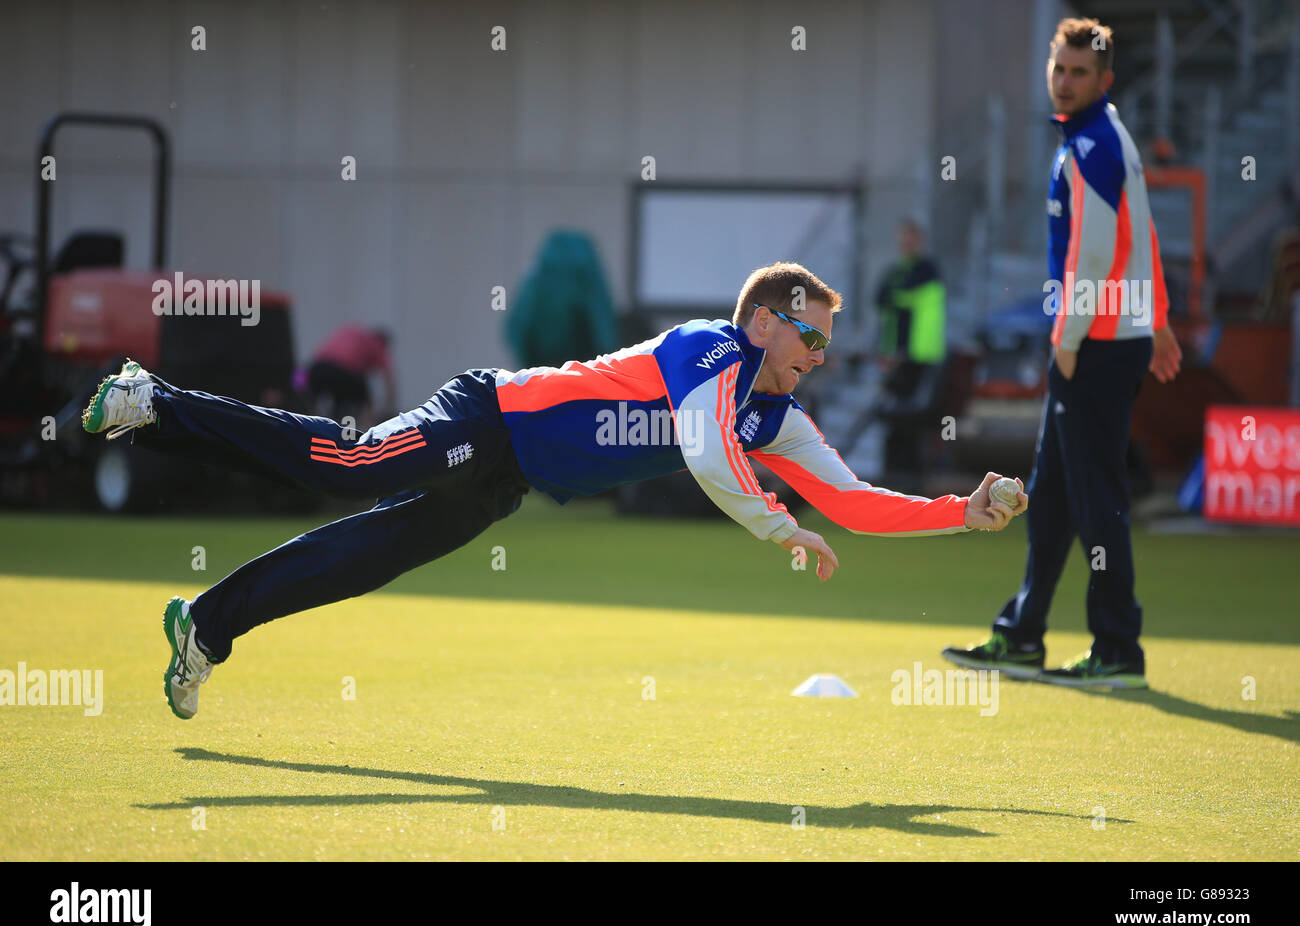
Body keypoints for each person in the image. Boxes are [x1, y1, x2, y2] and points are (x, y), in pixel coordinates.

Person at [80, 262, 1027, 720]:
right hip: (485, 420)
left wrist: (960, 513)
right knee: (344, 463)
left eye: (823, 344)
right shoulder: (713, 349)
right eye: (811, 339)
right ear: (767, 323)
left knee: (358, 558)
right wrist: (780, 528)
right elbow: (703, 451)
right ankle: (150, 399)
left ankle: (203, 627)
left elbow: (855, 498)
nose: (819, 358)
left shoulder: (773, 415)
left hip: (506, 483)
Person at [943, 18, 1182, 689]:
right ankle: (1021, 635)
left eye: (1080, 72)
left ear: (1104, 80)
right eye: (1059, 69)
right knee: (1049, 498)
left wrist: (1069, 340)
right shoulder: (1104, 138)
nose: (1067, 81)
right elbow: (1145, 233)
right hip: (1112, 338)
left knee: (1095, 497)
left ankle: (1117, 649)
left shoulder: (1092, 146)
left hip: (1095, 347)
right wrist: (1157, 320)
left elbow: (1098, 253)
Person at [873, 218, 947, 484]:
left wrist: (897, 298)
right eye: (904, 238)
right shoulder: (898, 271)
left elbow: (900, 300)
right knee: (894, 418)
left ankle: (912, 477)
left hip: (919, 357)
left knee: (914, 419)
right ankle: (894, 477)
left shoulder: (926, 269)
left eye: (911, 238)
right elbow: (882, 299)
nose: (907, 244)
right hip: (898, 357)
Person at [303, 324, 396, 430]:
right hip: (346, 373)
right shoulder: (378, 345)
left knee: (313, 407)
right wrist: (389, 408)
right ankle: (362, 436)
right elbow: (389, 381)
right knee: (362, 406)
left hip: (317, 369)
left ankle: (310, 432)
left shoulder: (350, 331)